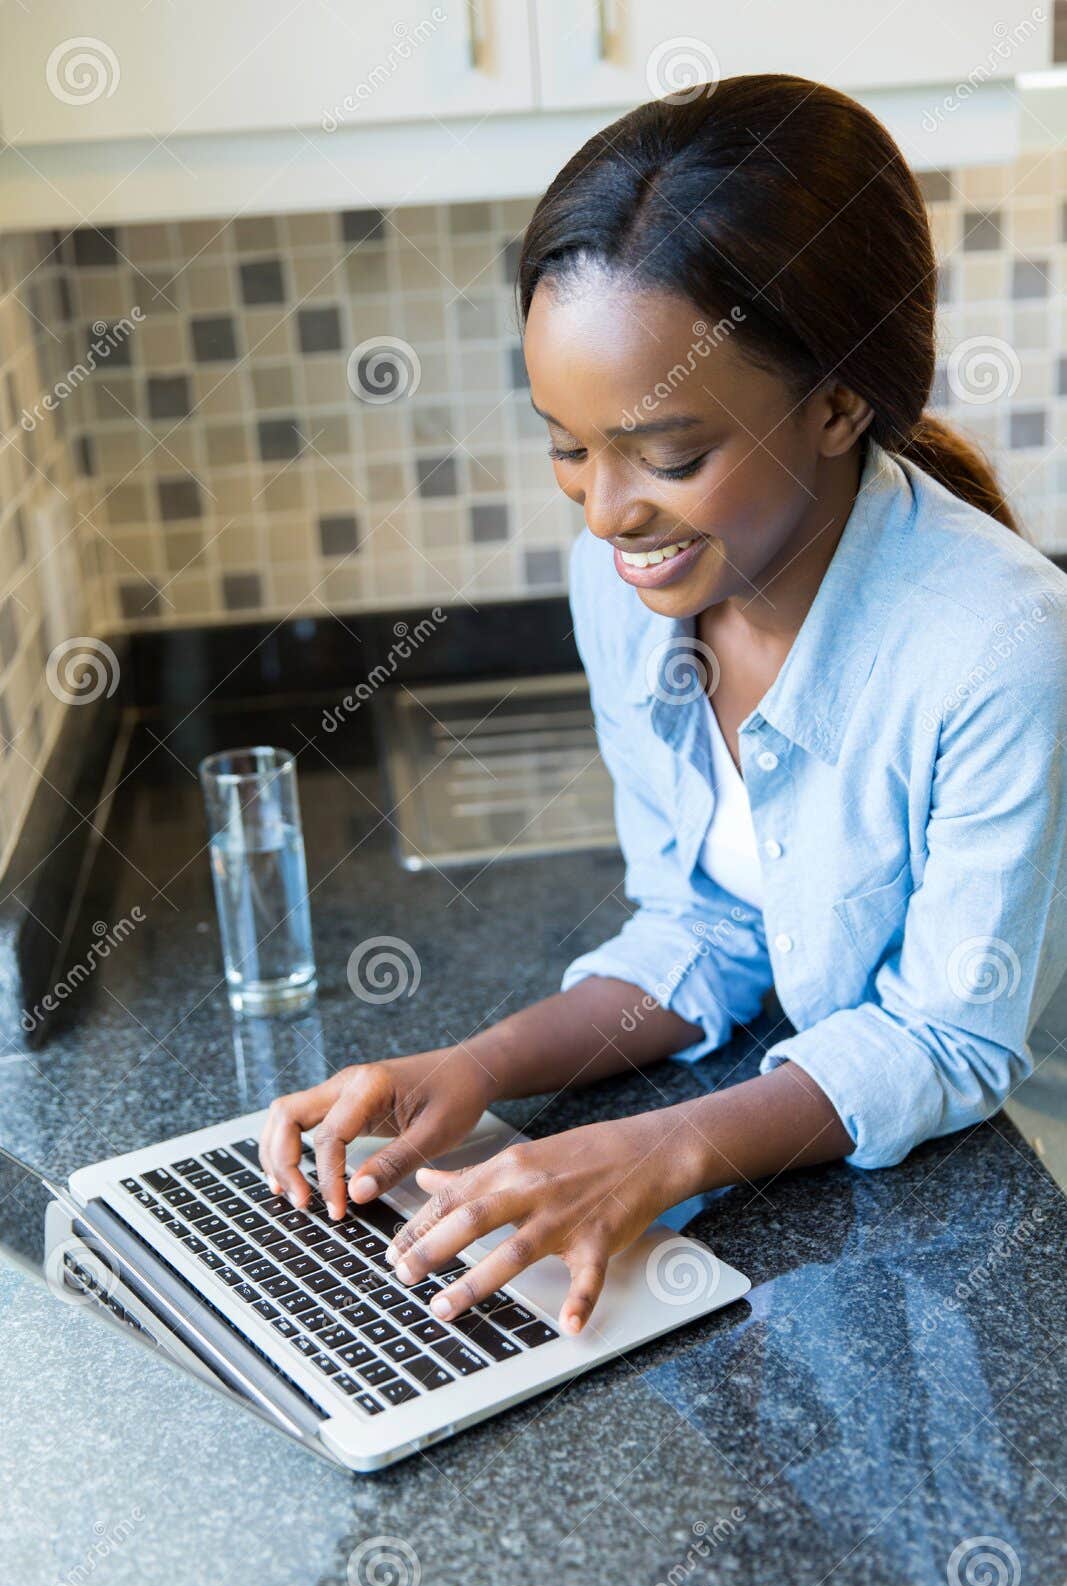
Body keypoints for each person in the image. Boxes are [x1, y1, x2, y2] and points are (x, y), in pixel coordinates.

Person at [260, 75, 1067, 1336]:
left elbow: (948, 1042)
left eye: (668, 456)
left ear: (838, 403)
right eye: (568, 446)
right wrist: (473, 1073)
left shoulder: (997, 645)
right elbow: (706, 924)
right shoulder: (629, 581)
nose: (603, 511)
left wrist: (662, 1151)